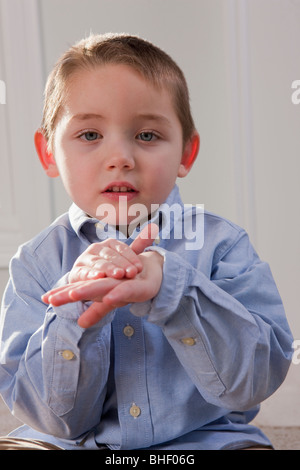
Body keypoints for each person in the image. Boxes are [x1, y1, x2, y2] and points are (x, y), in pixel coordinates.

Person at [0, 33, 293, 450]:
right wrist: (74, 308)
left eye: (147, 136)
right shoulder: (35, 263)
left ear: (185, 154)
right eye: (89, 135)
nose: (120, 157)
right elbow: (50, 417)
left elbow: (253, 383)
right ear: (48, 152)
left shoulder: (223, 245)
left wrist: (172, 289)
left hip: (201, 441)